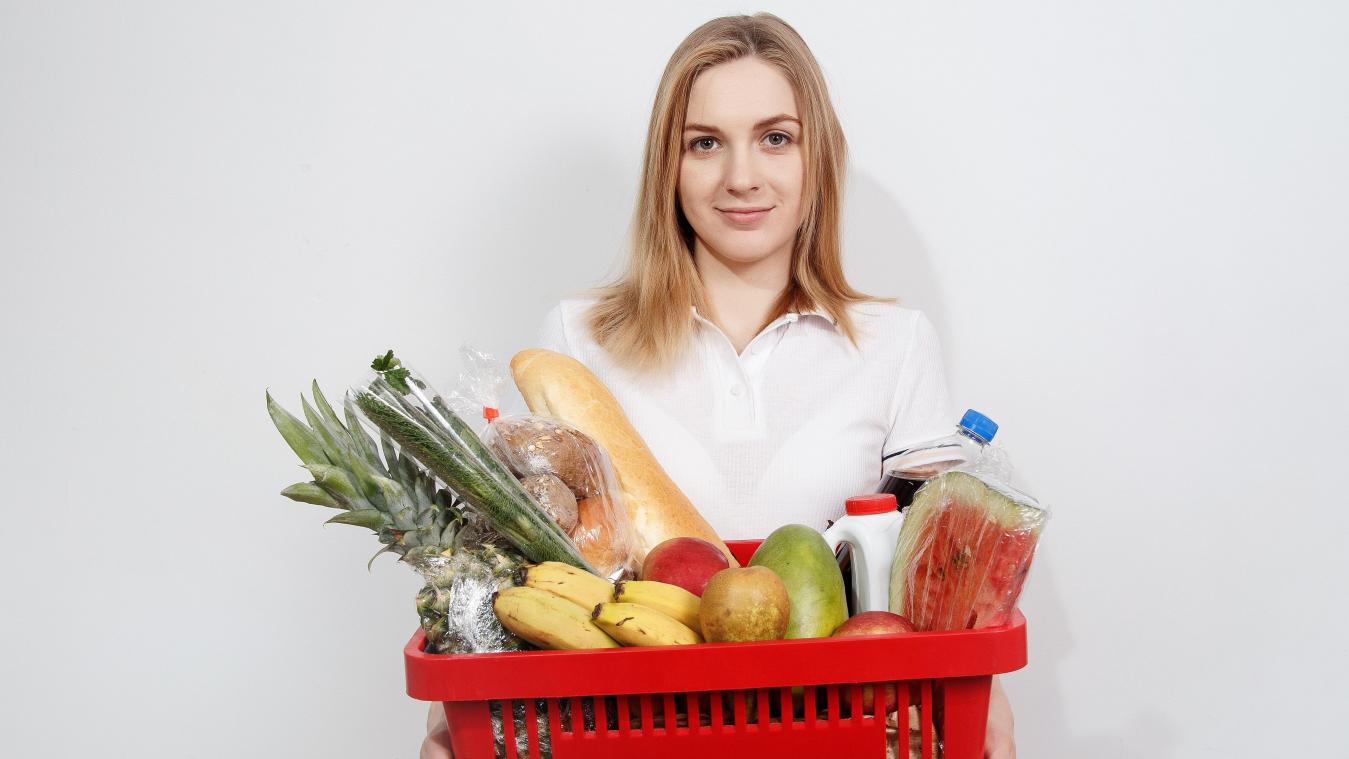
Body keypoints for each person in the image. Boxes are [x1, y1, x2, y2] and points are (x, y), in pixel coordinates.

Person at [422, 13, 1015, 759]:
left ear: (817, 159)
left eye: (776, 138)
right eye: (704, 143)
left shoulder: (895, 345)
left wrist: (990, 699)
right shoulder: (577, 340)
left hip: (837, 737)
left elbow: (943, 589)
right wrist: (451, 717)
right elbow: (522, 560)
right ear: (667, 169)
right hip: (631, 739)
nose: (741, 176)